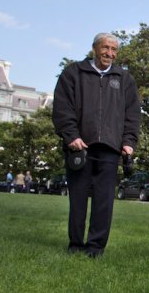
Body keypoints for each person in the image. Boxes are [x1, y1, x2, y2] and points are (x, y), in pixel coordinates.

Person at [52, 32, 141, 257]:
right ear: (94, 48)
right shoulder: (73, 73)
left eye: (114, 50)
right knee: (78, 199)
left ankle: (95, 247)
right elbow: (62, 108)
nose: (109, 53)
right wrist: (71, 136)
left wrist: (129, 142)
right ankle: (75, 244)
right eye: (105, 48)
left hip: (110, 149)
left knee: (104, 202)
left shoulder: (124, 79)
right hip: (80, 147)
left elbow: (132, 114)